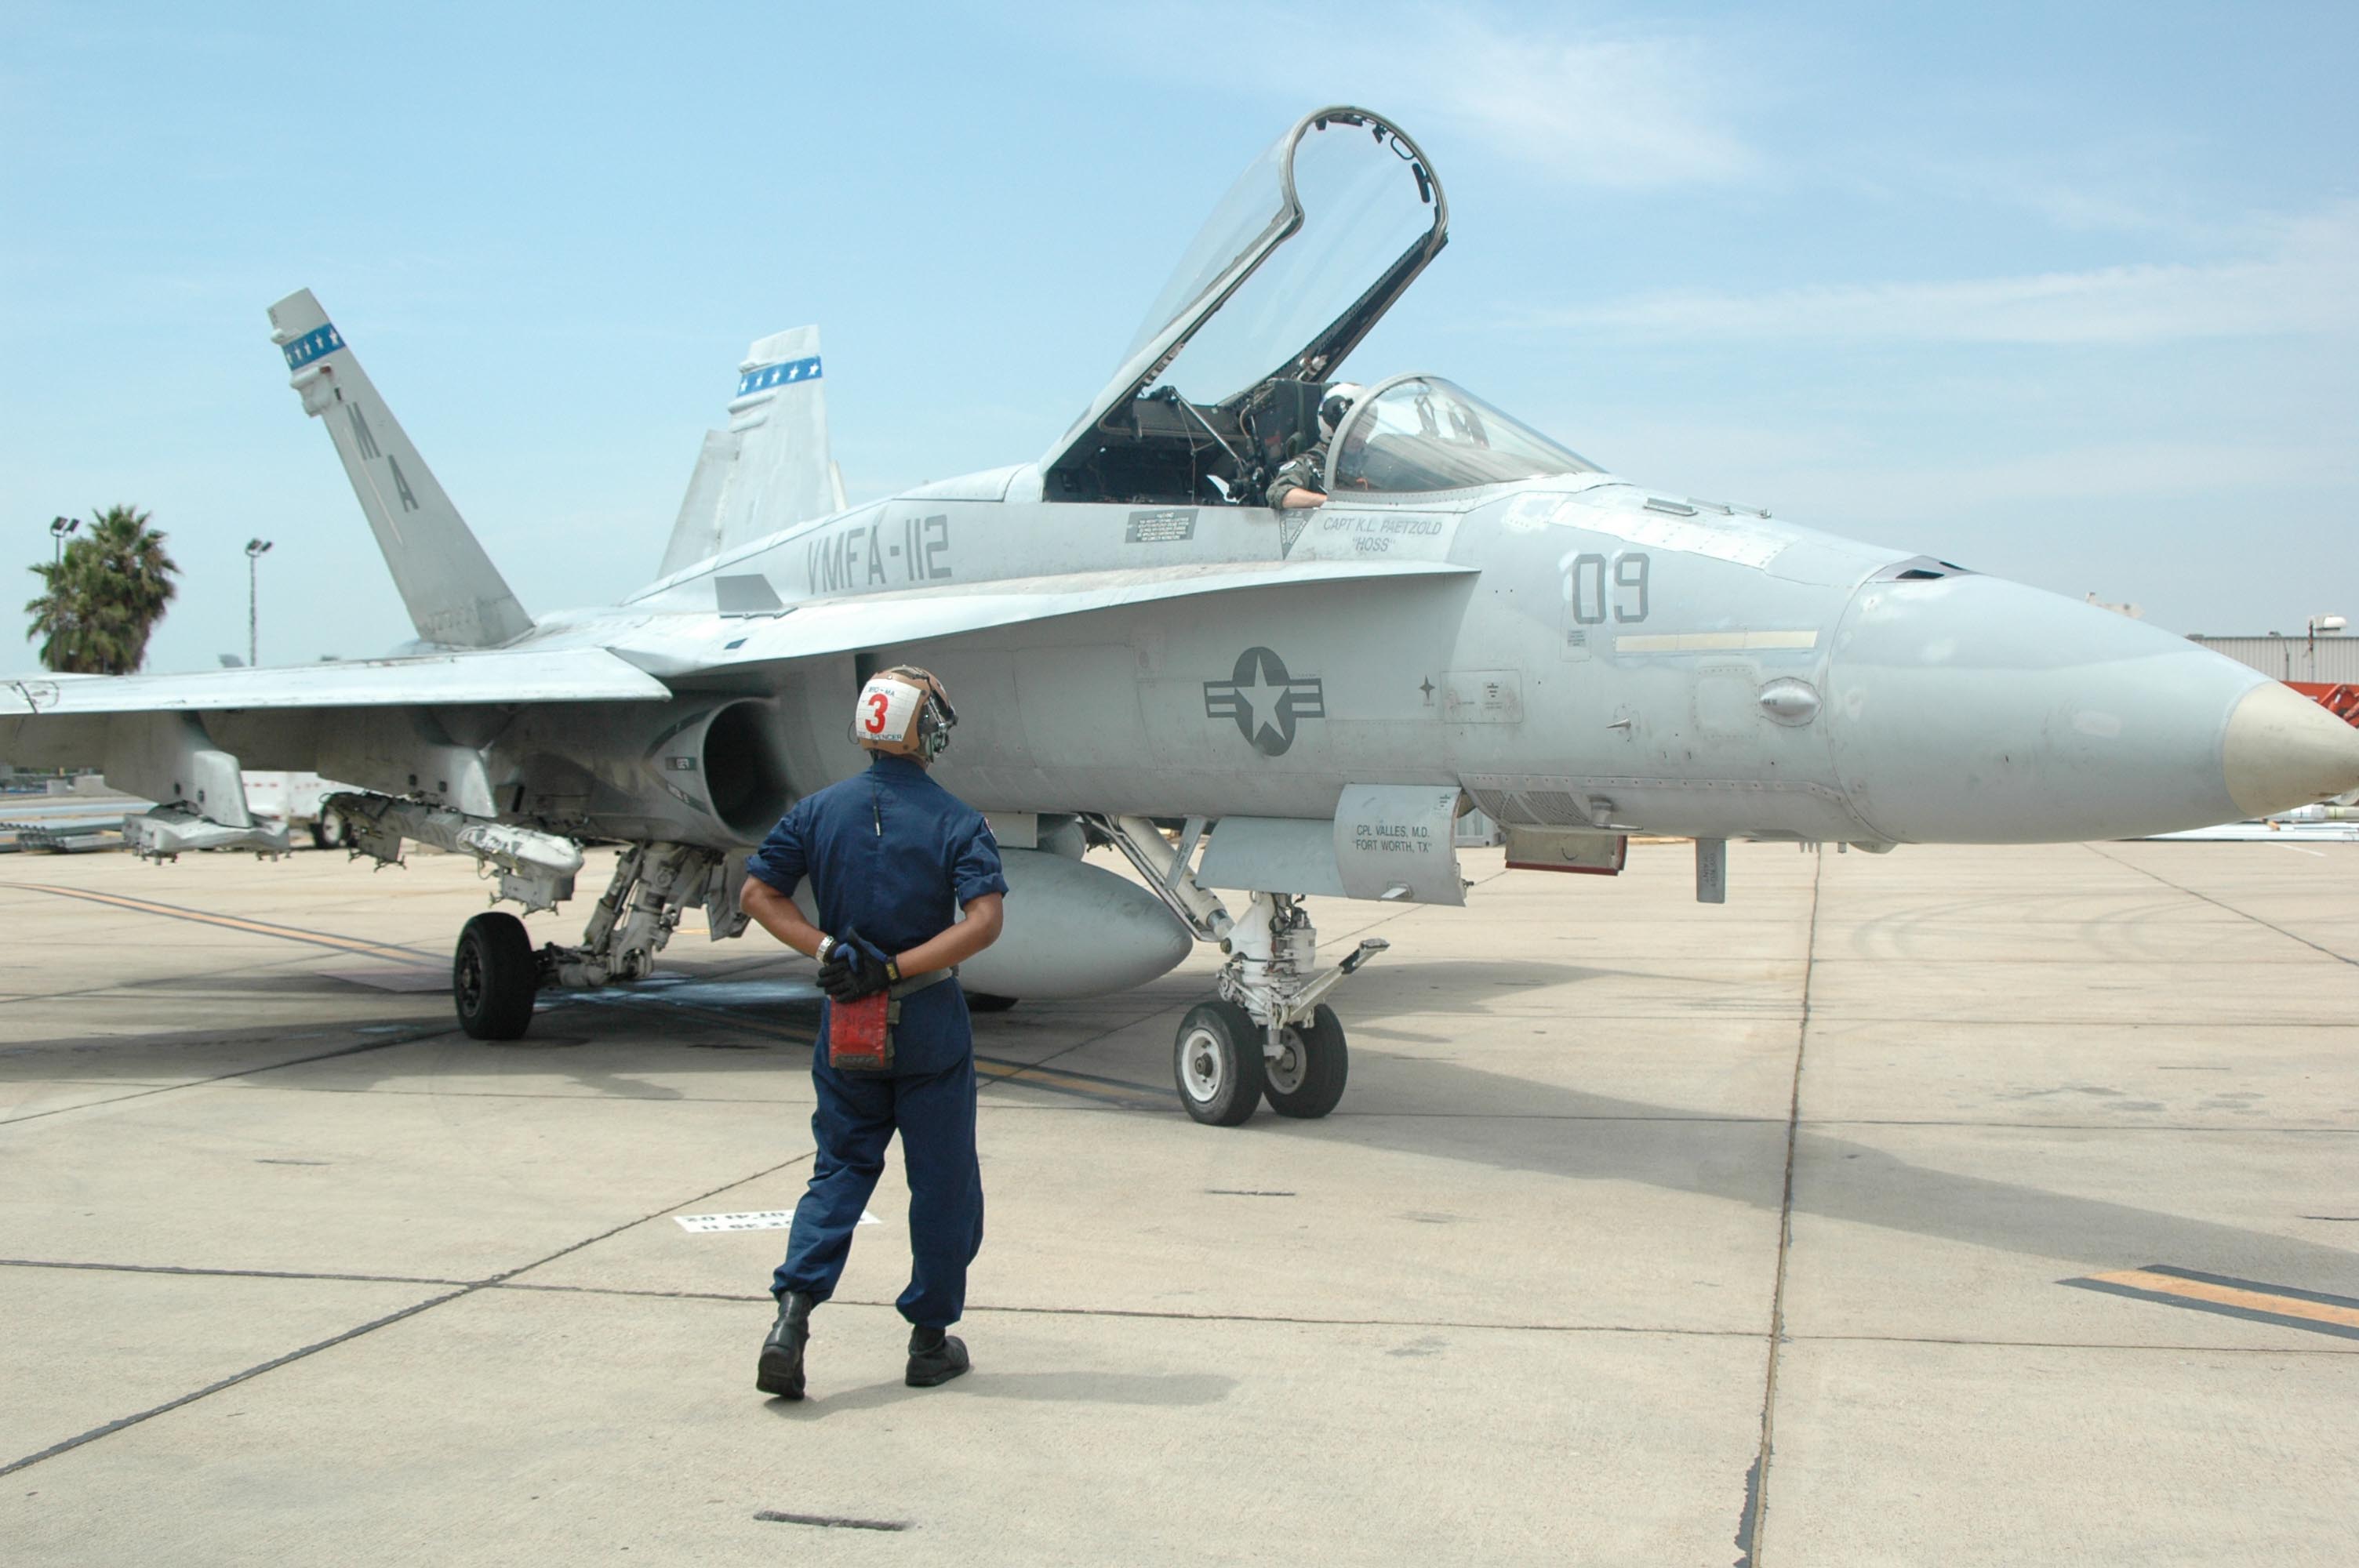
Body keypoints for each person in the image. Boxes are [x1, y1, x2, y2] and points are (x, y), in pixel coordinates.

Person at [736, 665, 1009, 1399]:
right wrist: (896, 970)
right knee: (943, 1181)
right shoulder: (957, 819)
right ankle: (928, 1340)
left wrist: (829, 952)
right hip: (926, 1022)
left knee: (841, 1169)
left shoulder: (817, 812)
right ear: (927, 729)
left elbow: (758, 894)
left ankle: (790, 1322)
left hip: (847, 1021)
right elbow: (984, 922)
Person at [1263, 382, 1361, 510]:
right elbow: (1281, 493)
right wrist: (1331, 502)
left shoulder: (1372, 459)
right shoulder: (1311, 463)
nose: (1360, 436)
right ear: (1334, 427)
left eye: (1363, 428)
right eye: (1353, 429)